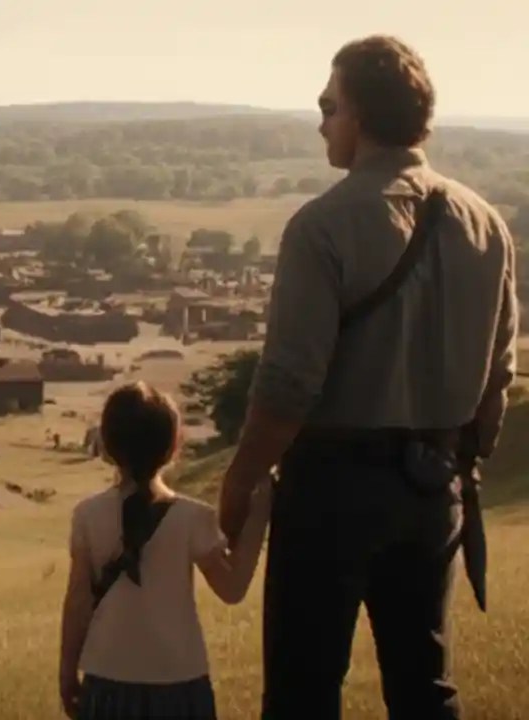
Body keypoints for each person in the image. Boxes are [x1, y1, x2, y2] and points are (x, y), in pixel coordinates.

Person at [216, 35, 518, 719]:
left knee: (303, 694)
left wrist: (240, 482)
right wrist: (454, 464)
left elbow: (289, 384)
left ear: (362, 117)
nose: (320, 121)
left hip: (332, 489)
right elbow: (498, 380)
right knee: (426, 690)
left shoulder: (322, 225)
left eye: (328, 106)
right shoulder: (487, 224)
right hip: (434, 483)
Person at [58, 381, 272, 720]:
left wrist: (67, 671)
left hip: (108, 677)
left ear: (108, 447)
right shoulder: (193, 518)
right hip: (179, 680)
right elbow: (232, 589)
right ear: (175, 446)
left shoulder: (87, 516)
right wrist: (258, 516)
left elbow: (78, 602)